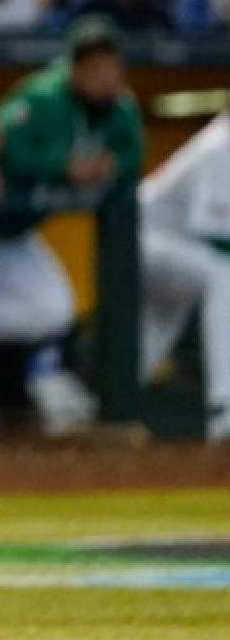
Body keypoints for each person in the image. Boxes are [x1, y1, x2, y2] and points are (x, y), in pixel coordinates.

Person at [0, 16, 141, 437]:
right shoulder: (44, 97)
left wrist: (110, 166)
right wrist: (64, 168)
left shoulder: (118, 108)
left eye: (111, 67)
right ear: (75, 68)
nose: (106, 77)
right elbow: (7, 146)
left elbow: (131, 155)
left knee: (54, 310)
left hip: (20, 234)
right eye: (95, 67)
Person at [138, 112, 230, 442]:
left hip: (177, 249)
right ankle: (224, 407)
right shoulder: (222, 144)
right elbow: (215, 236)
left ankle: (101, 406)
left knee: (158, 327)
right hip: (141, 238)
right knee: (222, 277)